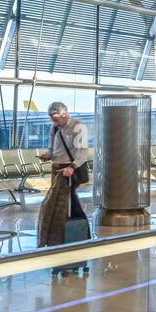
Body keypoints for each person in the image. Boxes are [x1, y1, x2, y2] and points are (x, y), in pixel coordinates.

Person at [37, 102, 89, 246]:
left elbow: (83, 152)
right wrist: (48, 155)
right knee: (61, 201)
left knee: (61, 202)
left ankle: (62, 235)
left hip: (69, 169)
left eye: (55, 118)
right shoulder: (54, 128)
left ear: (64, 115)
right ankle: (58, 235)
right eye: (51, 119)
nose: (53, 122)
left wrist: (72, 167)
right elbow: (53, 149)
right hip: (57, 168)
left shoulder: (78, 127)